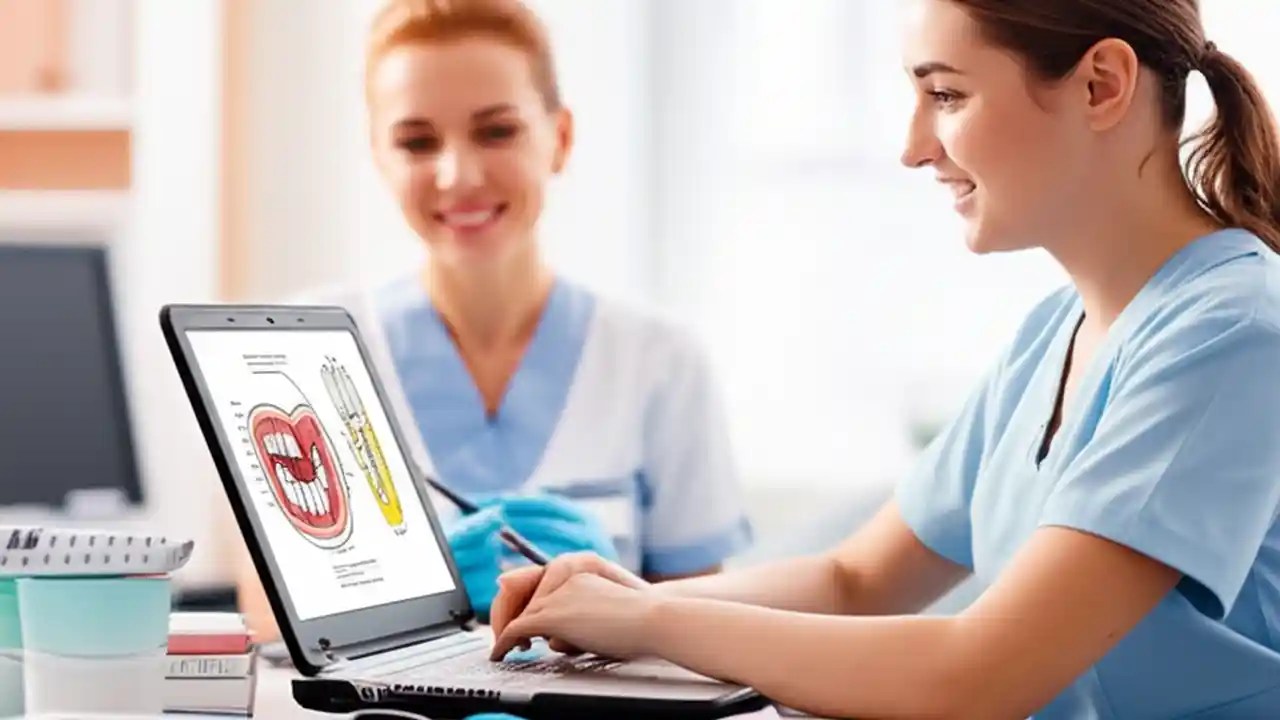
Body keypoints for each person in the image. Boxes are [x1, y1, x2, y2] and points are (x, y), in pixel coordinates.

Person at [484, 1, 1280, 717]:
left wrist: (654, 623)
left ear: (1101, 84)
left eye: (946, 96)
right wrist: (621, 600)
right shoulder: (1056, 333)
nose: (911, 147)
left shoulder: (1232, 334)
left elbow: (980, 675)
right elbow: (853, 582)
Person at [233, 0, 751, 639]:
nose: (459, 175)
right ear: (379, 158)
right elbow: (266, 627)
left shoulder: (658, 361)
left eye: (496, 131)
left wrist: (629, 603)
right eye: (417, 142)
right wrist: (407, 592)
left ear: (559, 139)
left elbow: (705, 629)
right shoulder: (298, 356)